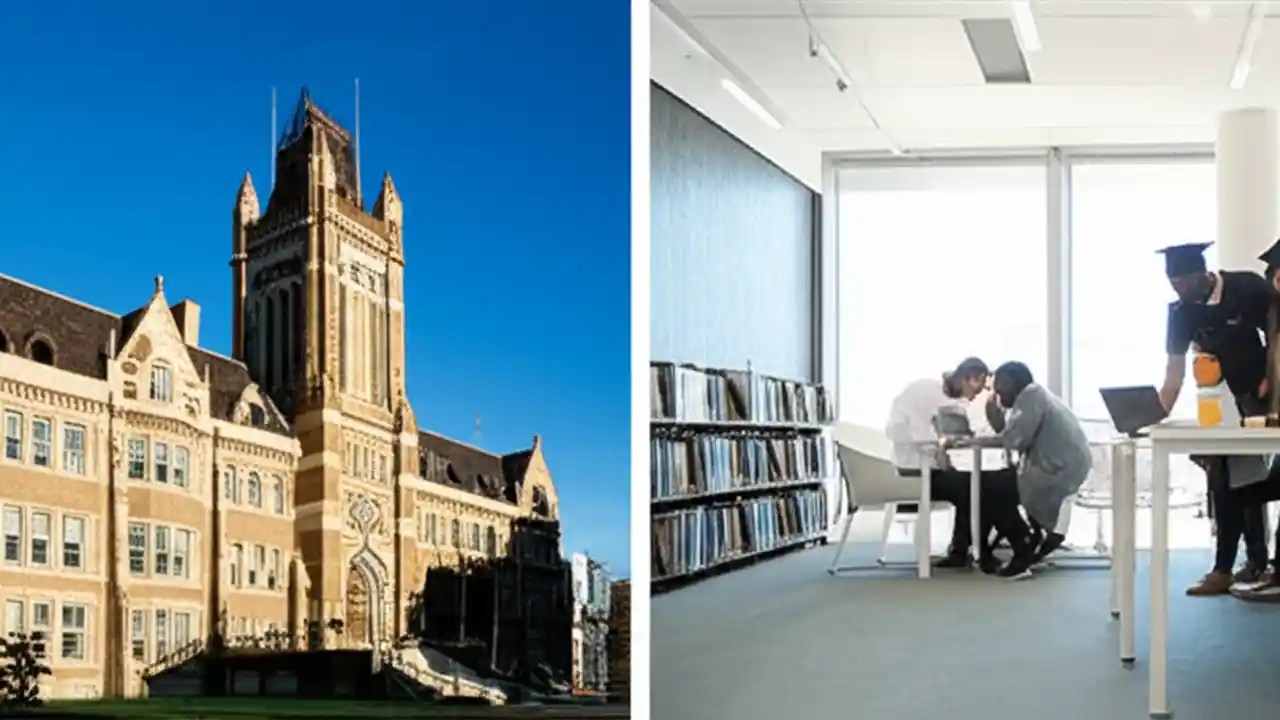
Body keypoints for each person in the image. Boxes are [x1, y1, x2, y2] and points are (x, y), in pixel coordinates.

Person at [1157, 242, 1273, 595]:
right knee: (1225, 479)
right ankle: (1233, 566)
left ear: (1202, 274)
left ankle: (1248, 564)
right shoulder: (1181, 312)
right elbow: (1173, 374)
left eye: (1183, 283)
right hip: (1218, 401)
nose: (1179, 291)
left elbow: (1276, 333)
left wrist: (1271, 379)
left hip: (1261, 396)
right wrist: (1155, 415)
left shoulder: (1247, 287)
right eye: (1173, 284)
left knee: (1245, 481)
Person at [885, 357, 1024, 573]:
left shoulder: (947, 399)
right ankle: (996, 548)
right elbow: (917, 436)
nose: (974, 397)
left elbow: (953, 435)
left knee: (977, 484)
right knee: (978, 487)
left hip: (930, 466)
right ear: (972, 378)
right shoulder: (925, 392)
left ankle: (963, 551)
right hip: (915, 470)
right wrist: (942, 444)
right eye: (977, 389)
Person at [959, 361, 1092, 580]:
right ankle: (993, 550)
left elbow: (1013, 440)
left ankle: (1023, 543)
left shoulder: (1031, 397)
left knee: (988, 487)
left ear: (1010, 383)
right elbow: (1013, 436)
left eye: (999, 387)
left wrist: (977, 436)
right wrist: (996, 416)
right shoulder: (1036, 396)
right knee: (992, 483)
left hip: (1055, 471)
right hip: (1063, 466)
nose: (997, 393)